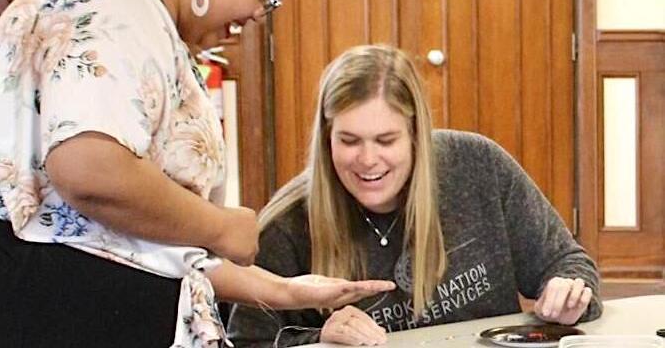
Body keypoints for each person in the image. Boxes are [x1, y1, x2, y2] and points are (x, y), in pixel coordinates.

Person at [0, 0, 396, 347]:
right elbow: (89, 170)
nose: (260, 13)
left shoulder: (149, 22)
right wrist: (221, 226)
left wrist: (285, 291)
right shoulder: (115, 1)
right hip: (12, 298)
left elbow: (138, 241)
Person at [226, 44, 603, 347]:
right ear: (326, 140)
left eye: (386, 140)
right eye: (349, 141)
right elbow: (245, 339)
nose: (368, 160)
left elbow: (567, 262)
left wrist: (568, 292)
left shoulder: (477, 165)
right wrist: (317, 338)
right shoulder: (288, 222)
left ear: (416, 136)